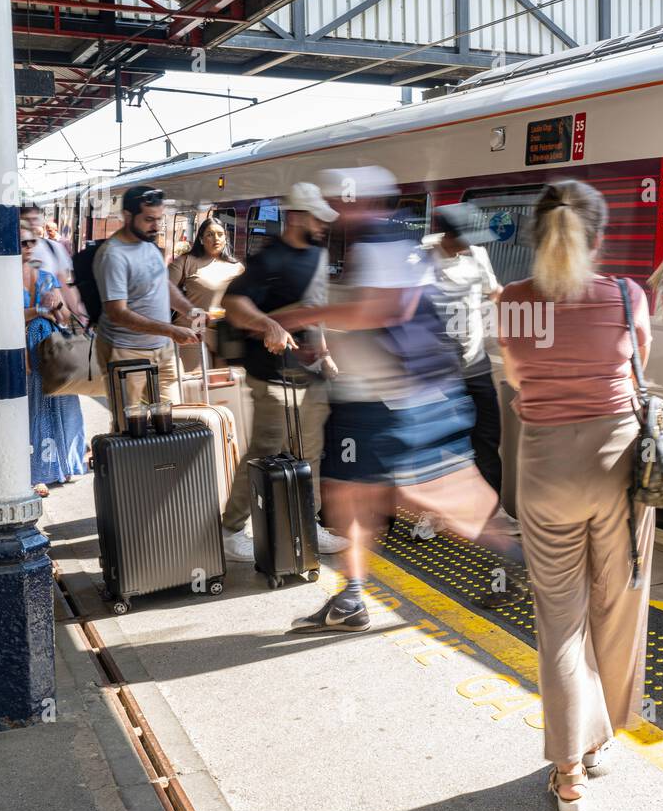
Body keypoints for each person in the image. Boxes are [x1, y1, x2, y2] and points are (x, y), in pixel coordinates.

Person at [267, 168, 502, 633]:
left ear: (362, 201)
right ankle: (352, 599)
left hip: (383, 397)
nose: (336, 209)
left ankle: (520, 564)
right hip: (400, 391)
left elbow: (384, 309)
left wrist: (306, 314)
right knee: (362, 496)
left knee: (365, 495)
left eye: (342, 199)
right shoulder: (399, 243)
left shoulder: (378, 241)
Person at [497, 179, 656, 811]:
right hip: (617, 467)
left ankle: (568, 774)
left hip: (543, 469)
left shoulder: (511, 301)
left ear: (537, 235)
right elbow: (640, 364)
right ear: (599, 235)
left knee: (559, 619)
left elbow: (515, 377)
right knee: (616, 603)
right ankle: (603, 737)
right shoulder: (625, 295)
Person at [219, 184, 348, 560]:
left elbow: (314, 309)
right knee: (265, 449)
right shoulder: (269, 260)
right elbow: (233, 304)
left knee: (311, 453)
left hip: (309, 371)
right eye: (316, 217)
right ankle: (230, 530)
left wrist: (324, 352)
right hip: (271, 374)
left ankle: (309, 524)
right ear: (295, 217)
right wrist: (268, 326)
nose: (323, 224)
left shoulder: (318, 256)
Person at [422, 203, 519, 536]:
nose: (472, 244)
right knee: (440, 445)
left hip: (474, 365)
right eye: (466, 238)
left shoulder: (476, 255)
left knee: (487, 438)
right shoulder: (422, 259)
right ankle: (435, 514)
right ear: (449, 235)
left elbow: (495, 294)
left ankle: (492, 512)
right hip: (435, 371)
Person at [94, 185, 205, 412]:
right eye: (148, 219)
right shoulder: (113, 255)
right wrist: (172, 331)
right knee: (130, 426)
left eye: (159, 219)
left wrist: (189, 310)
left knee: (175, 418)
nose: (156, 226)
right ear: (127, 216)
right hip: (126, 352)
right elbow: (118, 313)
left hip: (162, 351)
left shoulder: (148, 244)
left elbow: (162, 284)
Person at [21, 219, 88, 497]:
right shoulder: (2, 275)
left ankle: (63, 465)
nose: (27, 248)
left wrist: (57, 304)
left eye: (31, 242)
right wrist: (38, 310)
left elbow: (64, 316)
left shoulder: (44, 274)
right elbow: (4, 318)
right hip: (26, 349)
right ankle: (35, 474)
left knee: (63, 404)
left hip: (51, 349)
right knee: (34, 411)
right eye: (22, 243)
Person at [168, 215, 244, 373]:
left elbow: (246, 300)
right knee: (197, 384)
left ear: (225, 238)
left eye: (220, 234)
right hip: (193, 329)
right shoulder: (186, 262)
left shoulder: (237, 268)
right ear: (201, 239)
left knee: (226, 387)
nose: (216, 239)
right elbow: (162, 290)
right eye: (210, 234)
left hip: (226, 331)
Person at [21, 206, 85, 323]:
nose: (31, 223)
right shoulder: (9, 263)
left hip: (48, 325)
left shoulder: (54, 248)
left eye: (34, 219)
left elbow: (64, 284)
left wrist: (78, 313)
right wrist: (39, 310)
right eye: (26, 219)